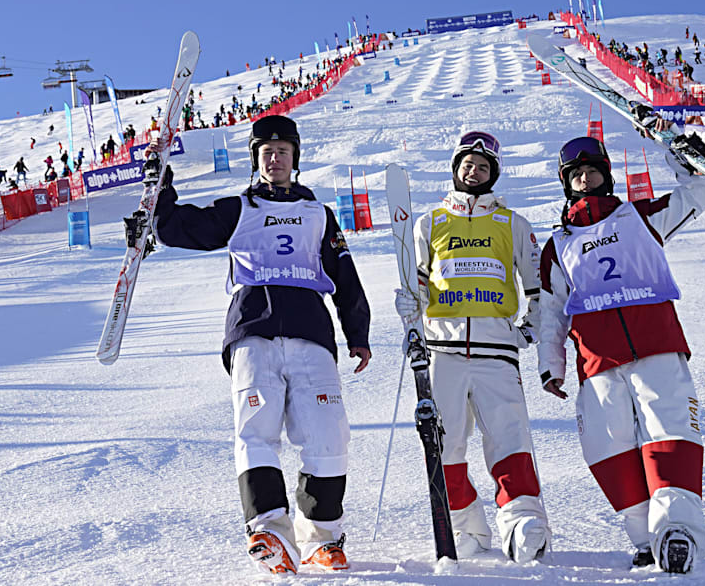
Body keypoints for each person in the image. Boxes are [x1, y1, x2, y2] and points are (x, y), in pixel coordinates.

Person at [151, 115, 371, 575]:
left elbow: (345, 274)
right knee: (256, 431)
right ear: (256, 160)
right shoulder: (239, 209)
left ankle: (321, 536)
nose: (275, 158)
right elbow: (175, 228)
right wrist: (160, 181)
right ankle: (269, 529)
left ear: (295, 158)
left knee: (328, 434)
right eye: (266, 152)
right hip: (253, 332)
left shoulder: (319, 215)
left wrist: (358, 333)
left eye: (283, 151)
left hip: (311, 333)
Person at [537, 134, 705, 574]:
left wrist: (686, 161)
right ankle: (642, 538)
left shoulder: (640, 216)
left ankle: (677, 531)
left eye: (592, 170)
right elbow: (551, 312)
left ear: (606, 176)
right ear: (566, 184)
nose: (584, 177)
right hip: (596, 361)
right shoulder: (557, 246)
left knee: (668, 434)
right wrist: (550, 366)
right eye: (576, 174)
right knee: (607, 447)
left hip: (655, 345)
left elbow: (698, 194)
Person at [393, 131, 549, 562]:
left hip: (496, 352)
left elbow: (537, 287)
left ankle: (523, 523)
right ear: (456, 167)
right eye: (467, 164)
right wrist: (411, 301)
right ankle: (468, 529)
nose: (474, 171)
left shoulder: (512, 222)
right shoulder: (430, 222)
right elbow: (420, 280)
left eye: (483, 166)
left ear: (493, 174)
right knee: (444, 444)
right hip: (441, 351)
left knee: (509, 438)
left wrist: (528, 330)